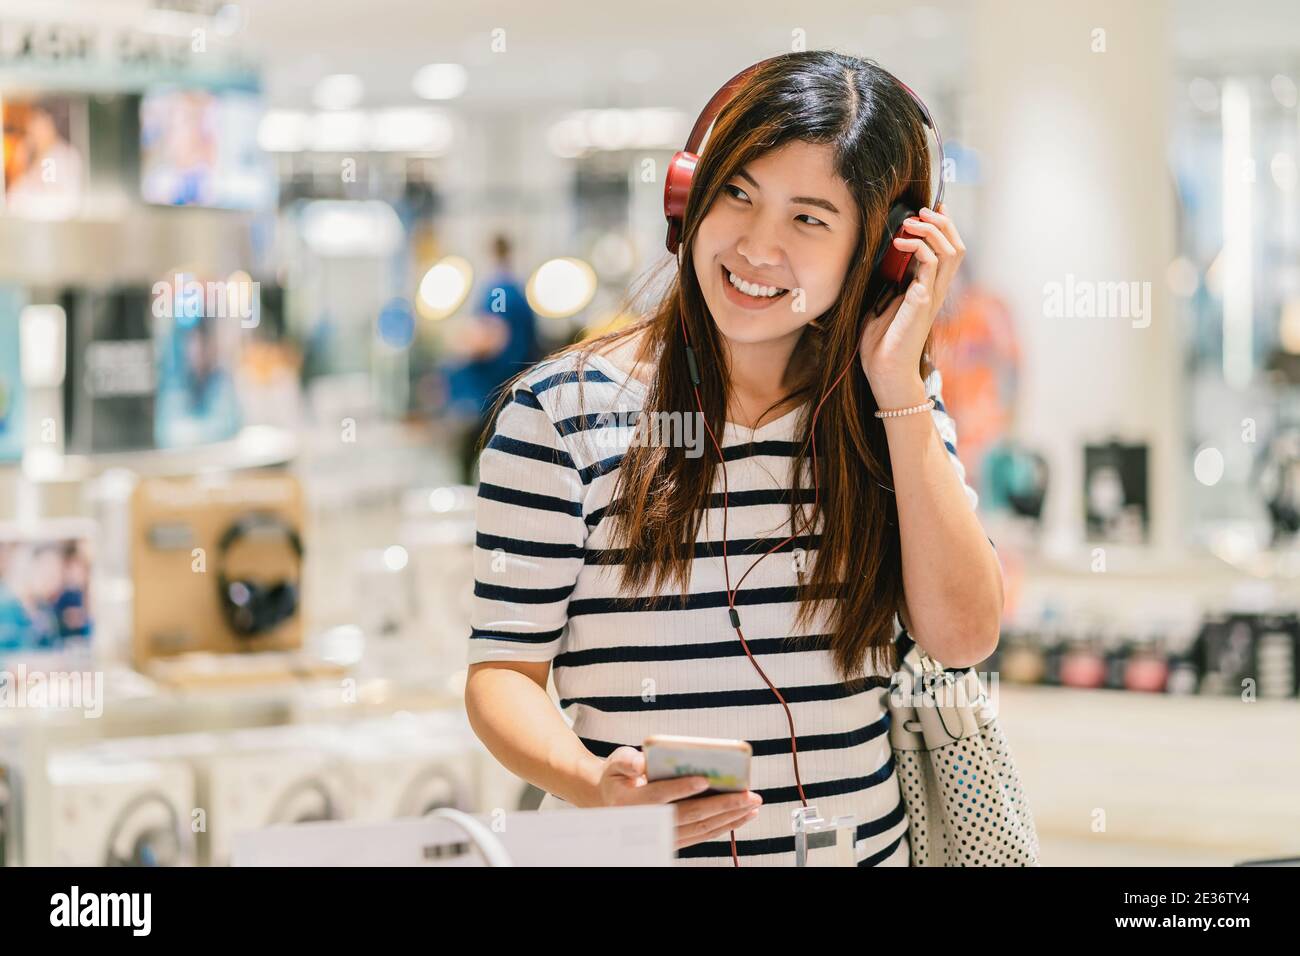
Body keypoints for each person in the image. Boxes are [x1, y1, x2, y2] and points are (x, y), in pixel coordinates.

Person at [463, 51, 1003, 867]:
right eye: (737, 194)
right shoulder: (559, 415)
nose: (756, 247)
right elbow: (501, 673)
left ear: (883, 252)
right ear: (688, 199)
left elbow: (963, 636)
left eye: (809, 219)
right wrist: (589, 781)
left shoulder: (891, 413)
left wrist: (900, 385)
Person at [443, 235, 539, 484]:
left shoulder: (499, 291)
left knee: (478, 454)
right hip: (508, 386)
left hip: (492, 391)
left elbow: (492, 334)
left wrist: (462, 342)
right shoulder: (517, 291)